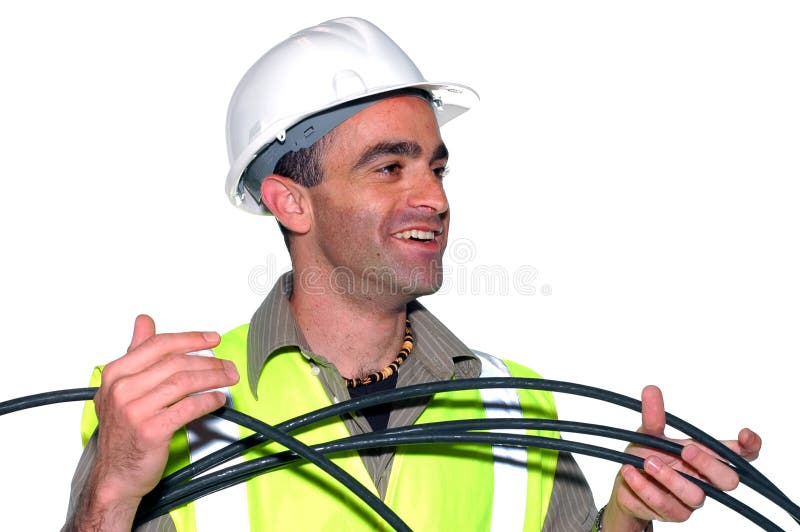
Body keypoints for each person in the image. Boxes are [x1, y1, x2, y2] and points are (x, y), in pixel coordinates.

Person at [63, 17, 762, 531]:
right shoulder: (163, 408)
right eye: (390, 167)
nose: (432, 197)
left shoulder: (514, 407)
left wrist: (630, 517)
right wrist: (110, 494)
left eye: (436, 166)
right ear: (290, 200)